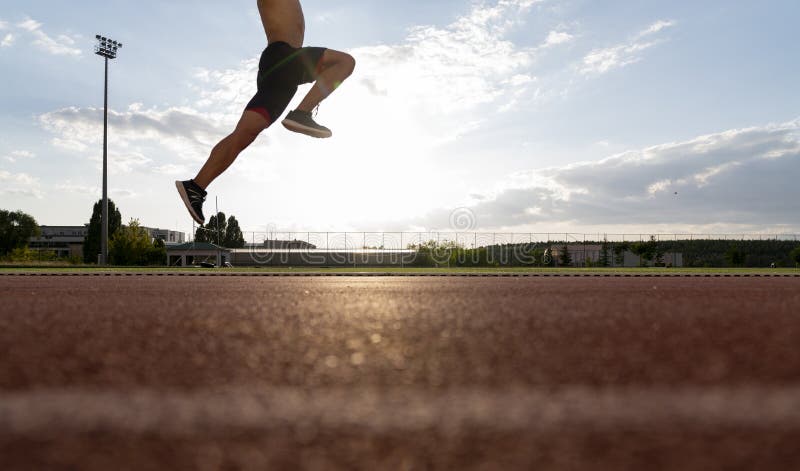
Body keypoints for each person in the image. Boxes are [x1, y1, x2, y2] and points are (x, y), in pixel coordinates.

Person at [176, 0, 356, 224]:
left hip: (282, 75)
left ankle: (196, 186)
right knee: (344, 62)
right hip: (283, 58)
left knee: (244, 135)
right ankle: (302, 113)